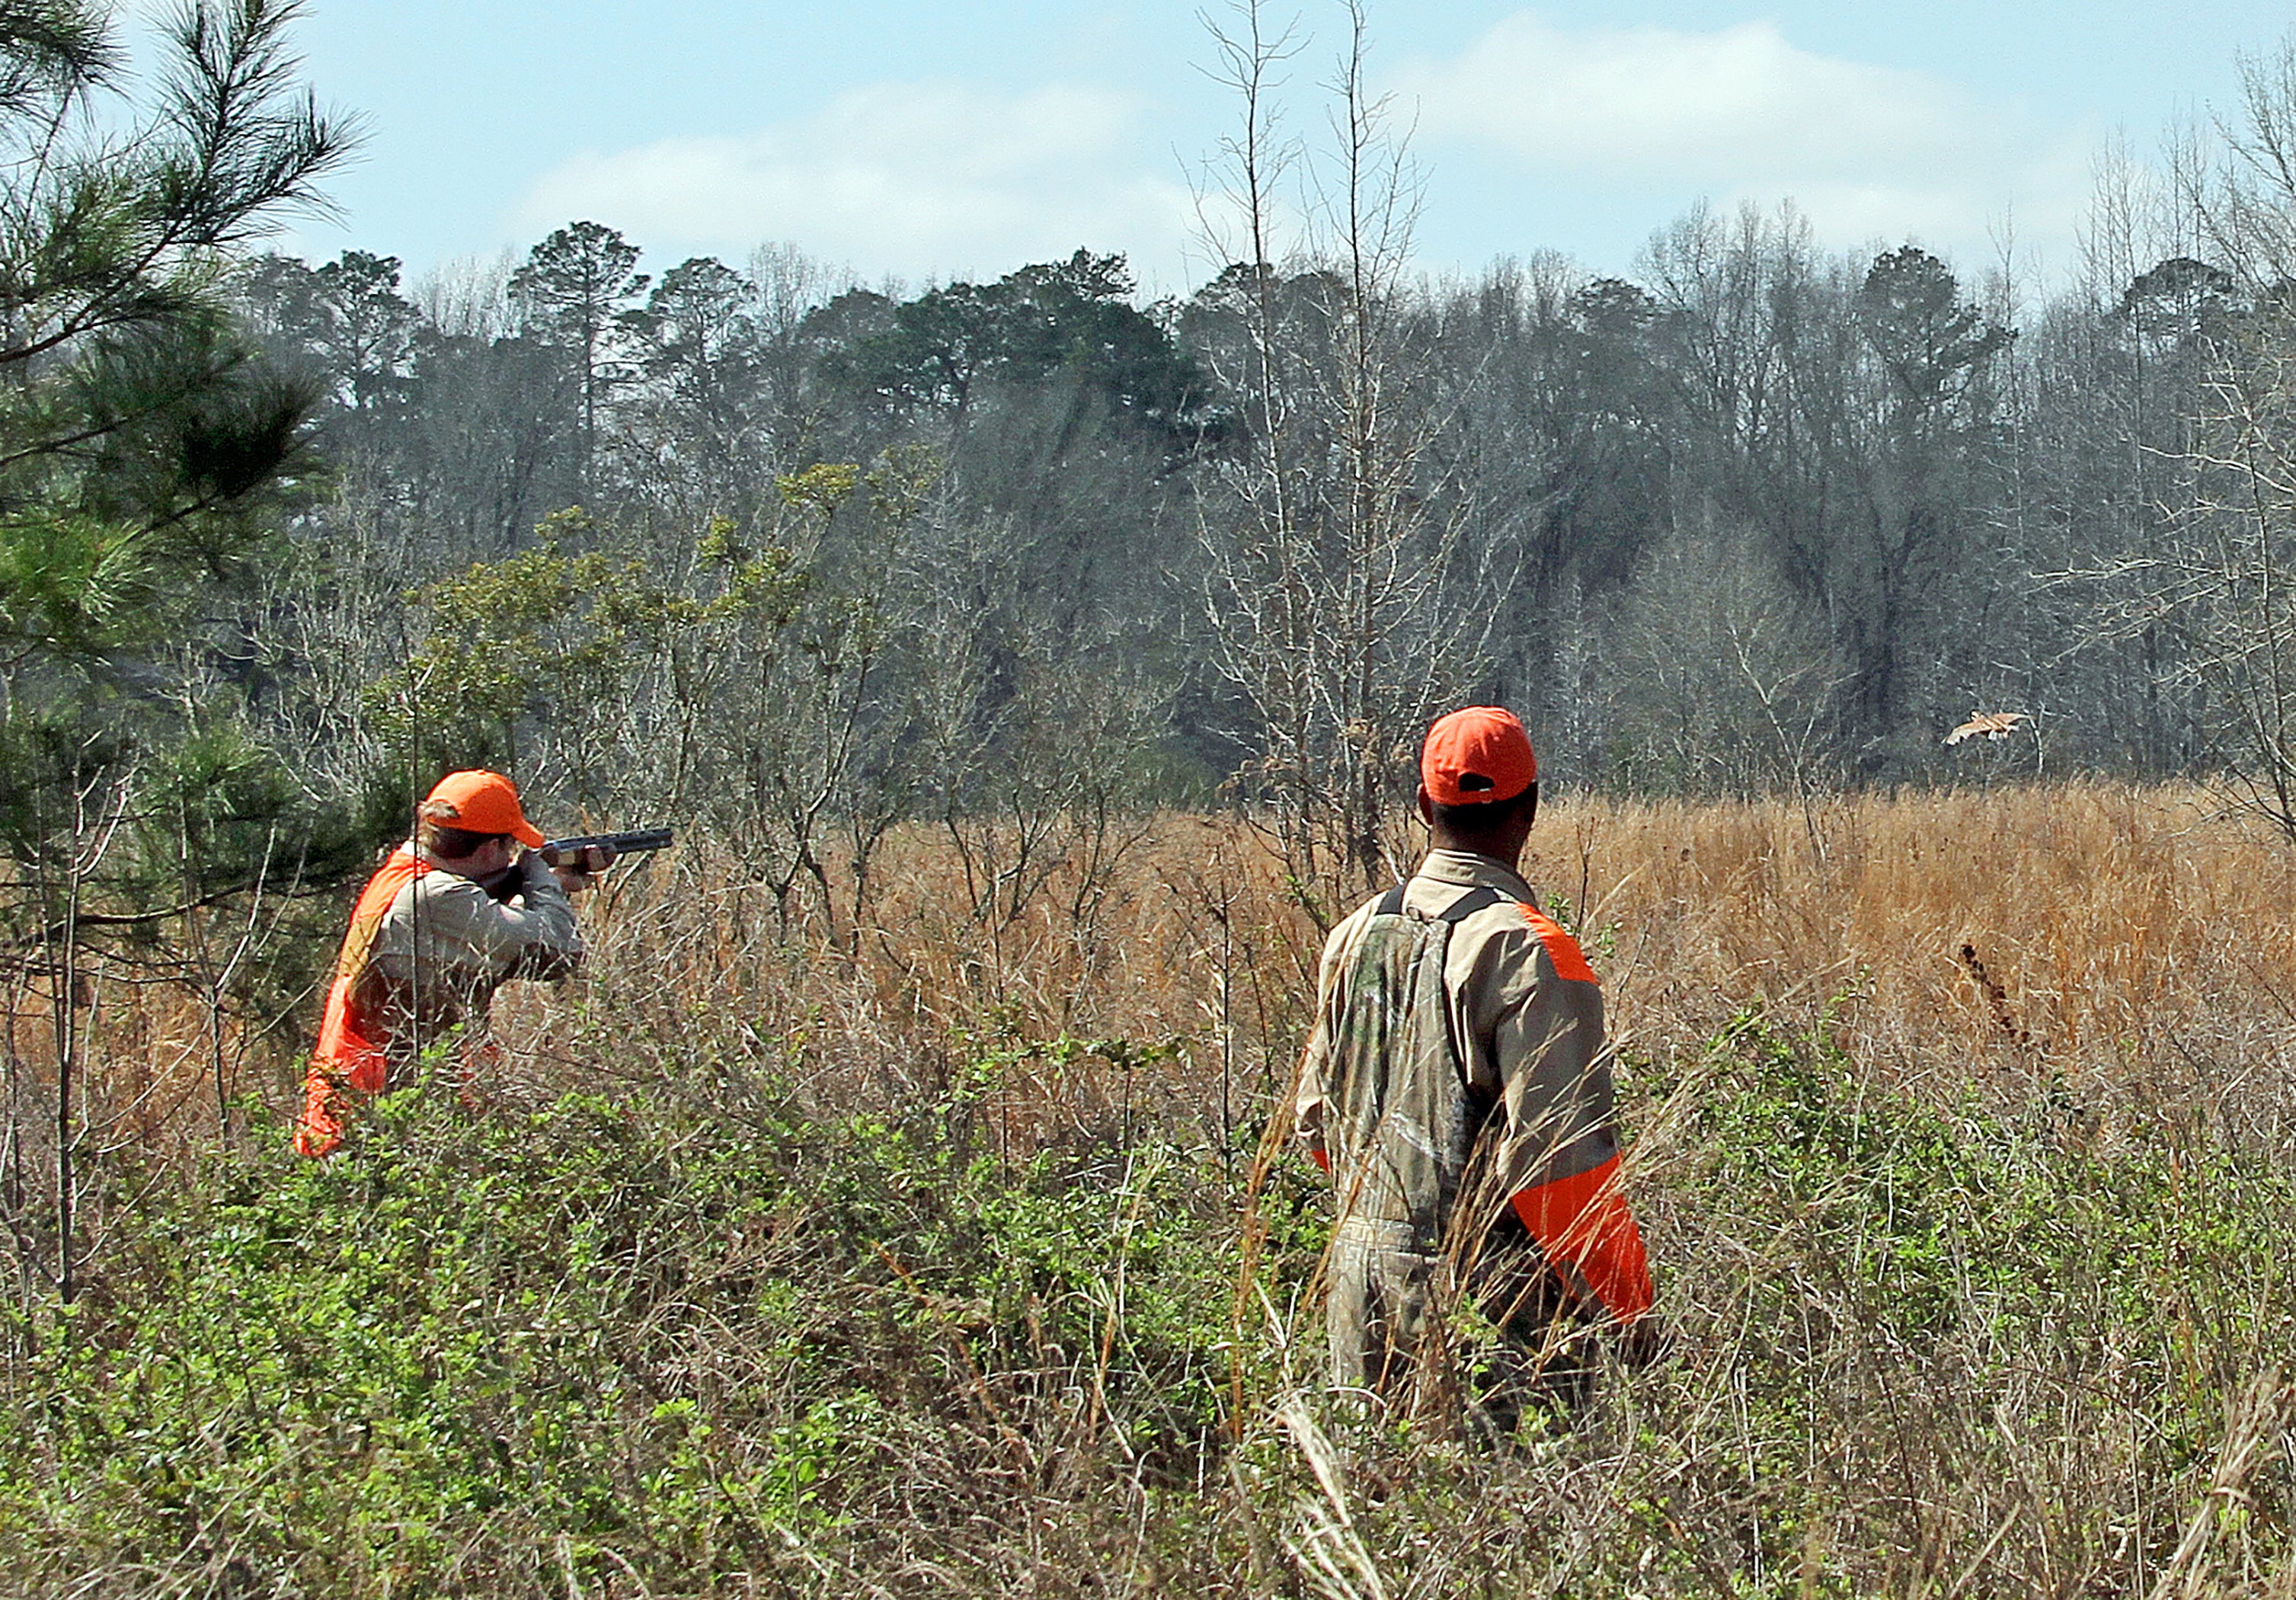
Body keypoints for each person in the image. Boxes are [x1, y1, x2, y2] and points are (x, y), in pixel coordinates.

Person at [1294, 706, 1655, 1427]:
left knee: (1383, 1511)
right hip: (1488, 1302)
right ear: (1531, 809)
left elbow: (1318, 1127)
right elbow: (1559, 1168)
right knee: (1509, 1516)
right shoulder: (1532, 953)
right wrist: (1631, 1315)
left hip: (1358, 1290)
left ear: (1424, 805)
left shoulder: (1355, 934)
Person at [293, 770, 609, 1158]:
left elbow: (479, 932)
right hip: (374, 1123)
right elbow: (559, 951)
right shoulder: (434, 895)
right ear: (490, 850)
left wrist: (549, 886)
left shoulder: (402, 875)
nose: (511, 855)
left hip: (365, 1105)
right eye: (509, 847)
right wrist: (538, 876)